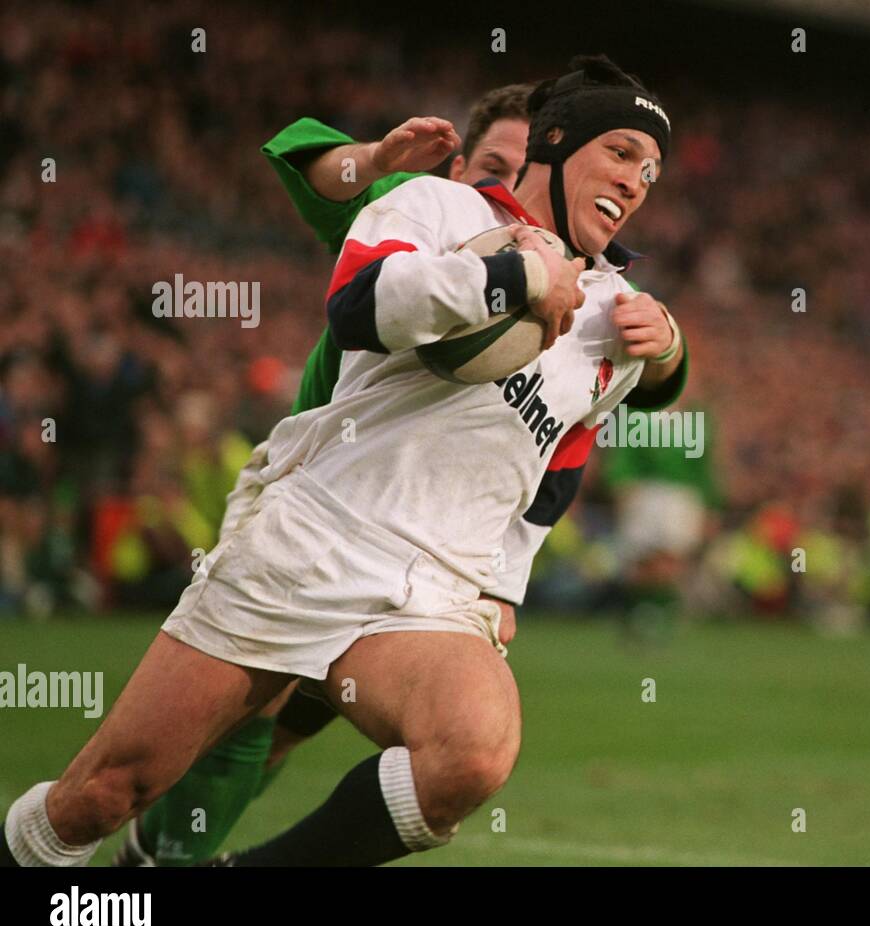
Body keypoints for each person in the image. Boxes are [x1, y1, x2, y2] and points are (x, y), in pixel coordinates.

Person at [2, 53, 686, 868]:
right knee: (107, 793)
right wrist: (511, 277)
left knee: (472, 752)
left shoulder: (618, 315)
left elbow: (558, 463)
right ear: (558, 139)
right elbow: (361, 306)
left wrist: (505, 584)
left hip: (435, 589)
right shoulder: (433, 203)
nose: (637, 180)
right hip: (313, 537)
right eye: (621, 151)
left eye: (650, 170)